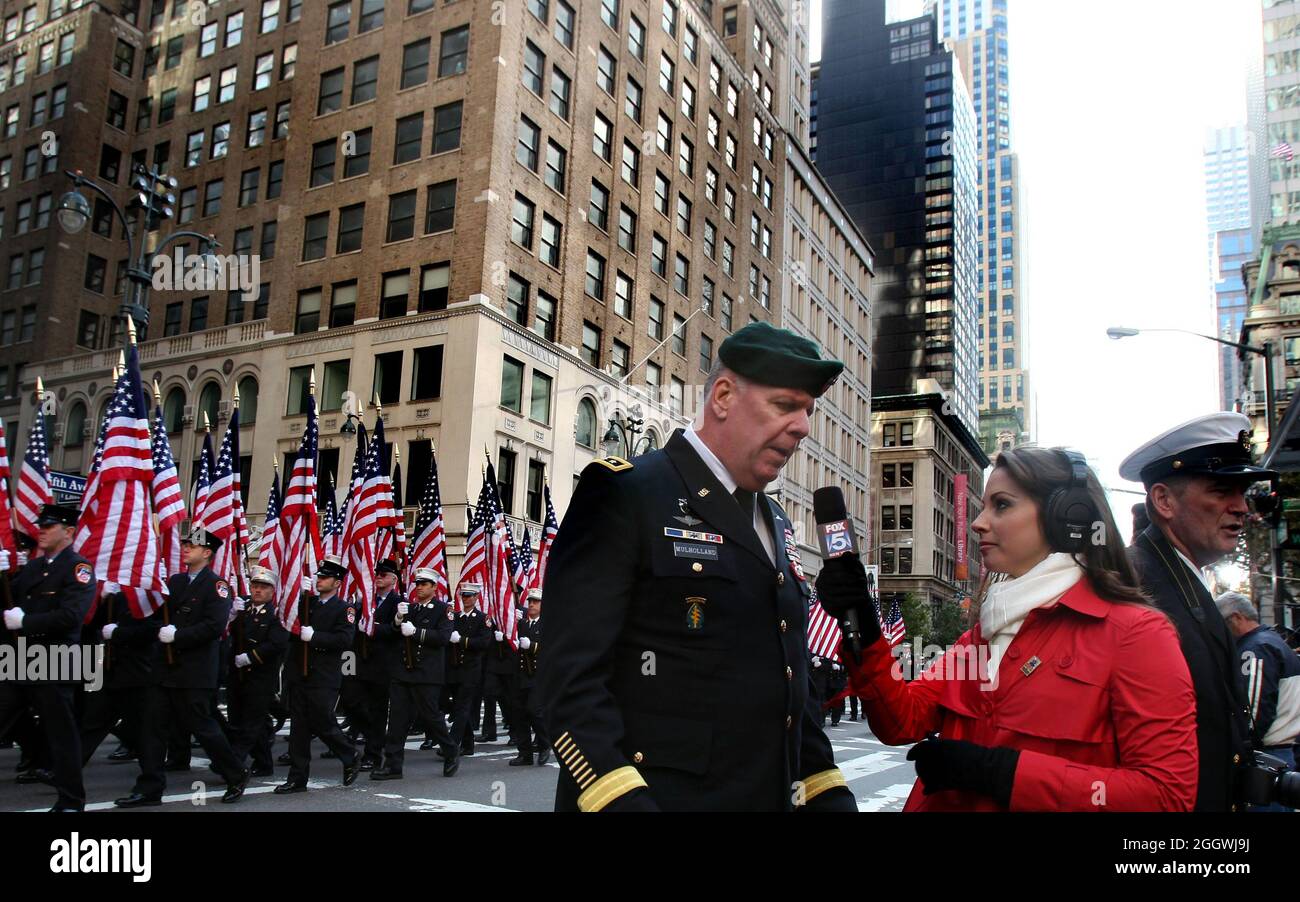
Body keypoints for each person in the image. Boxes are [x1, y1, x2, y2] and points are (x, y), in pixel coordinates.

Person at [536, 321, 856, 812]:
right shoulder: (627, 493)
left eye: (808, 411)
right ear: (724, 396)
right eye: (785, 405)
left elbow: (792, 686)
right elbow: (569, 683)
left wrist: (828, 794)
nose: (803, 427)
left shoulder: (774, 520)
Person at [821, 447, 1200, 811]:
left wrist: (1001, 774)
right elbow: (900, 721)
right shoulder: (982, 635)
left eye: (1001, 505)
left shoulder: (1137, 635)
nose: (977, 522)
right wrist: (865, 628)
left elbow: (1165, 795)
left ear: (1066, 517)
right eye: (984, 506)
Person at [1120, 412, 1267, 811]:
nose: (1240, 507)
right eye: (1222, 491)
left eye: (1243, 491)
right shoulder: (1135, 585)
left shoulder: (1178, 578)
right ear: (1164, 501)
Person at [0, 504, 97, 811]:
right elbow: (9, 598)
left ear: (68, 532)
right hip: (22, 657)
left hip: (56, 657)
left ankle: (71, 801)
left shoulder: (78, 569)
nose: (41, 529)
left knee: (61, 736)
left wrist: (26, 622)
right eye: (41, 525)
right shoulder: (32, 567)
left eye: (49, 526)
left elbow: (71, 616)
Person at [151, 528, 250, 804]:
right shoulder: (177, 581)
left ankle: (235, 772)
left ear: (206, 553)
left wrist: (178, 636)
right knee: (155, 726)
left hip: (195, 670)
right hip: (167, 667)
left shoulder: (216, 586)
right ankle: (150, 787)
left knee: (203, 727)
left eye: (191, 546)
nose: (185, 548)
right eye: (184, 544)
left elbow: (213, 626)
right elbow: (163, 614)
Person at [274, 556, 361, 794]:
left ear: (337, 583)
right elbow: (288, 627)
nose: (319, 580)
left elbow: (345, 640)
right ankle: (297, 778)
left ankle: (349, 754)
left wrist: (315, 637)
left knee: (323, 722)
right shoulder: (306, 603)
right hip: (299, 674)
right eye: (319, 577)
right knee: (299, 729)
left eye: (325, 578)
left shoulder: (344, 608)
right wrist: (296, 598)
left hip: (323, 675)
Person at [80, 586, 167, 806]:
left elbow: (154, 629)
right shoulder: (116, 590)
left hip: (140, 671)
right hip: (112, 669)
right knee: (92, 721)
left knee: (147, 733)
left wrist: (118, 633)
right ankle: (64, 771)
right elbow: (92, 622)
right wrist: (101, 599)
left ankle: (151, 787)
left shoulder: (149, 589)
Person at [1216, 590, 1300, 811]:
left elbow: (1252, 711)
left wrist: (1240, 749)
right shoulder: (1273, 642)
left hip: (1265, 759)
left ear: (1236, 618)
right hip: (1282, 754)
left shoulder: (1256, 649)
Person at [371, 568, 457, 780]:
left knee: (431, 717)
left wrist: (417, 633)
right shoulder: (410, 608)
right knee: (398, 719)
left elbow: (444, 637)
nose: (419, 587)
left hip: (427, 673)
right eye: (417, 584)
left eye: (424, 584)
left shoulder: (443, 609)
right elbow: (393, 633)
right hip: (403, 671)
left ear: (434, 588)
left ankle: (451, 751)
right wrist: (398, 619)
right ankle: (393, 765)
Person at [228, 567, 290, 777]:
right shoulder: (242, 610)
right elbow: (232, 636)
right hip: (239, 675)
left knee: (250, 723)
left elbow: (277, 643)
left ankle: (232, 763)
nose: (257, 591)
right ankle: (264, 763)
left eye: (263, 587)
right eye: (255, 586)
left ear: (272, 591)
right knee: (246, 720)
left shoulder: (277, 614)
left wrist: (251, 657)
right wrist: (231, 616)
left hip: (261, 676)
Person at [345, 559, 400, 770]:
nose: (378, 576)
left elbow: (395, 631)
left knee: (378, 710)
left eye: (384, 574)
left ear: (393, 579)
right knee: (351, 702)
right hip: (359, 661)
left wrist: (373, 627)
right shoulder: (366, 601)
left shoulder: (398, 603)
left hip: (382, 664)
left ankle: (373, 753)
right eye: (377, 573)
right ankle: (375, 738)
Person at [444, 584, 491, 758]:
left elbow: (484, 643)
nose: (466, 599)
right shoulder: (455, 617)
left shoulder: (482, 618)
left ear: (476, 597)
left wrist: (462, 640)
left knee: (463, 707)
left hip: (471, 670)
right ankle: (469, 744)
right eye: (464, 595)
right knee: (458, 706)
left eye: (470, 596)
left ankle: (452, 743)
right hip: (455, 669)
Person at [509, 588, 549, 766]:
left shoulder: (547, 625)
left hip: (538, 676)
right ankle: (525, 753)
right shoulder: (521, 625)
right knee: (519, 714)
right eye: (530, 601)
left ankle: (544, 745)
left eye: (536, 601)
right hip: (520, 675)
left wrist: (532, 646)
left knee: (535, 711)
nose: (531, 604)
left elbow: (551, 649)